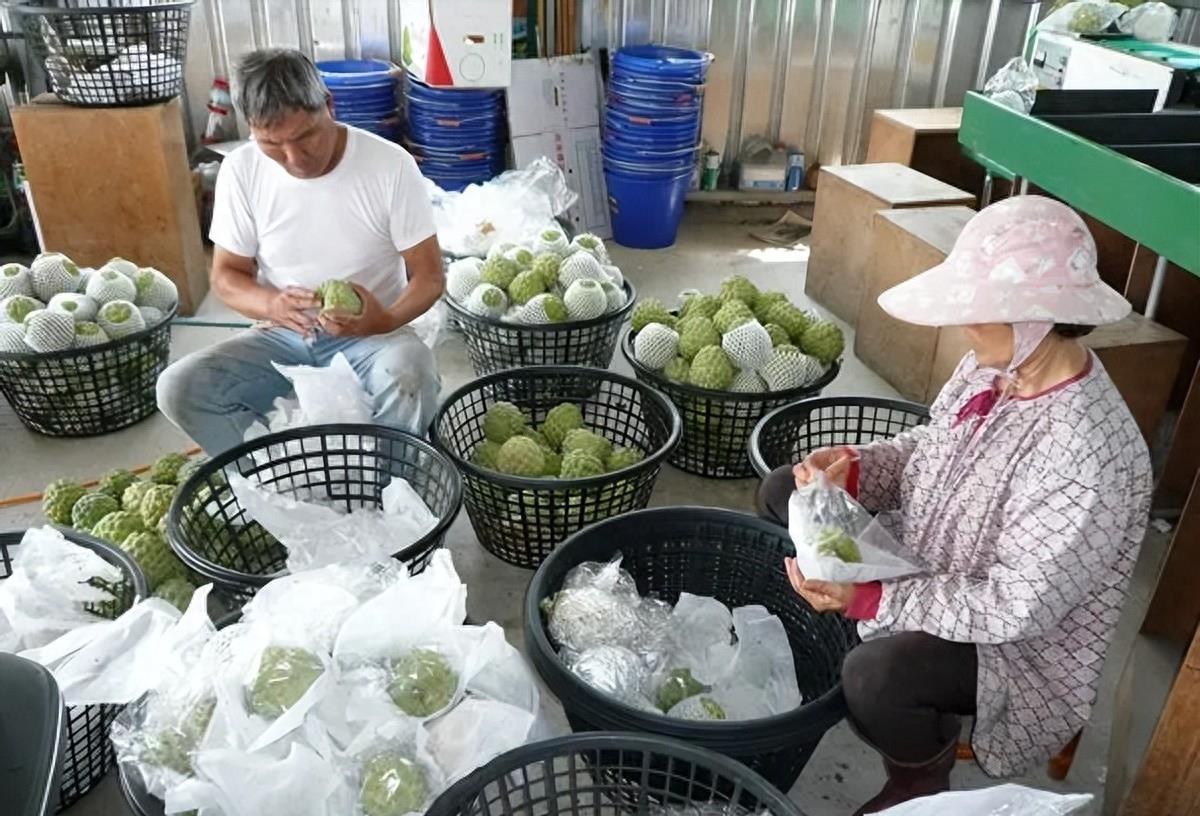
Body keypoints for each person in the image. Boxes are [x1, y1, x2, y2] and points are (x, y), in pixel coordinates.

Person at [756, 196, 1152, 815]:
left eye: (977, 311)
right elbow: (928, 446)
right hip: (924, 556)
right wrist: (858, 469)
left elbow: (1014, 607)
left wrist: (875, 598)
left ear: (1035, 318)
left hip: (1011, 642)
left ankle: (921, 770)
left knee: (876, 677)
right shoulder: (994, 365)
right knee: (785, 489)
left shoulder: (1087, 454)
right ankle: (847, 621)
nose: (961, 326)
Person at [157, 48, 442, 456]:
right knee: (178, 388)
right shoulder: (241, 170)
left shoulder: (389, 166)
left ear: (328, 105)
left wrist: (384, 319)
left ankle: (385, 493)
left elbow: (429, 276)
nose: (294, 159)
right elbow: (227, 274)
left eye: (306, 136)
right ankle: (276, 480)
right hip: (284, 336)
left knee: (409, 375)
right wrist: (270, 304)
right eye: (271, 144)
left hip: (374, 338)